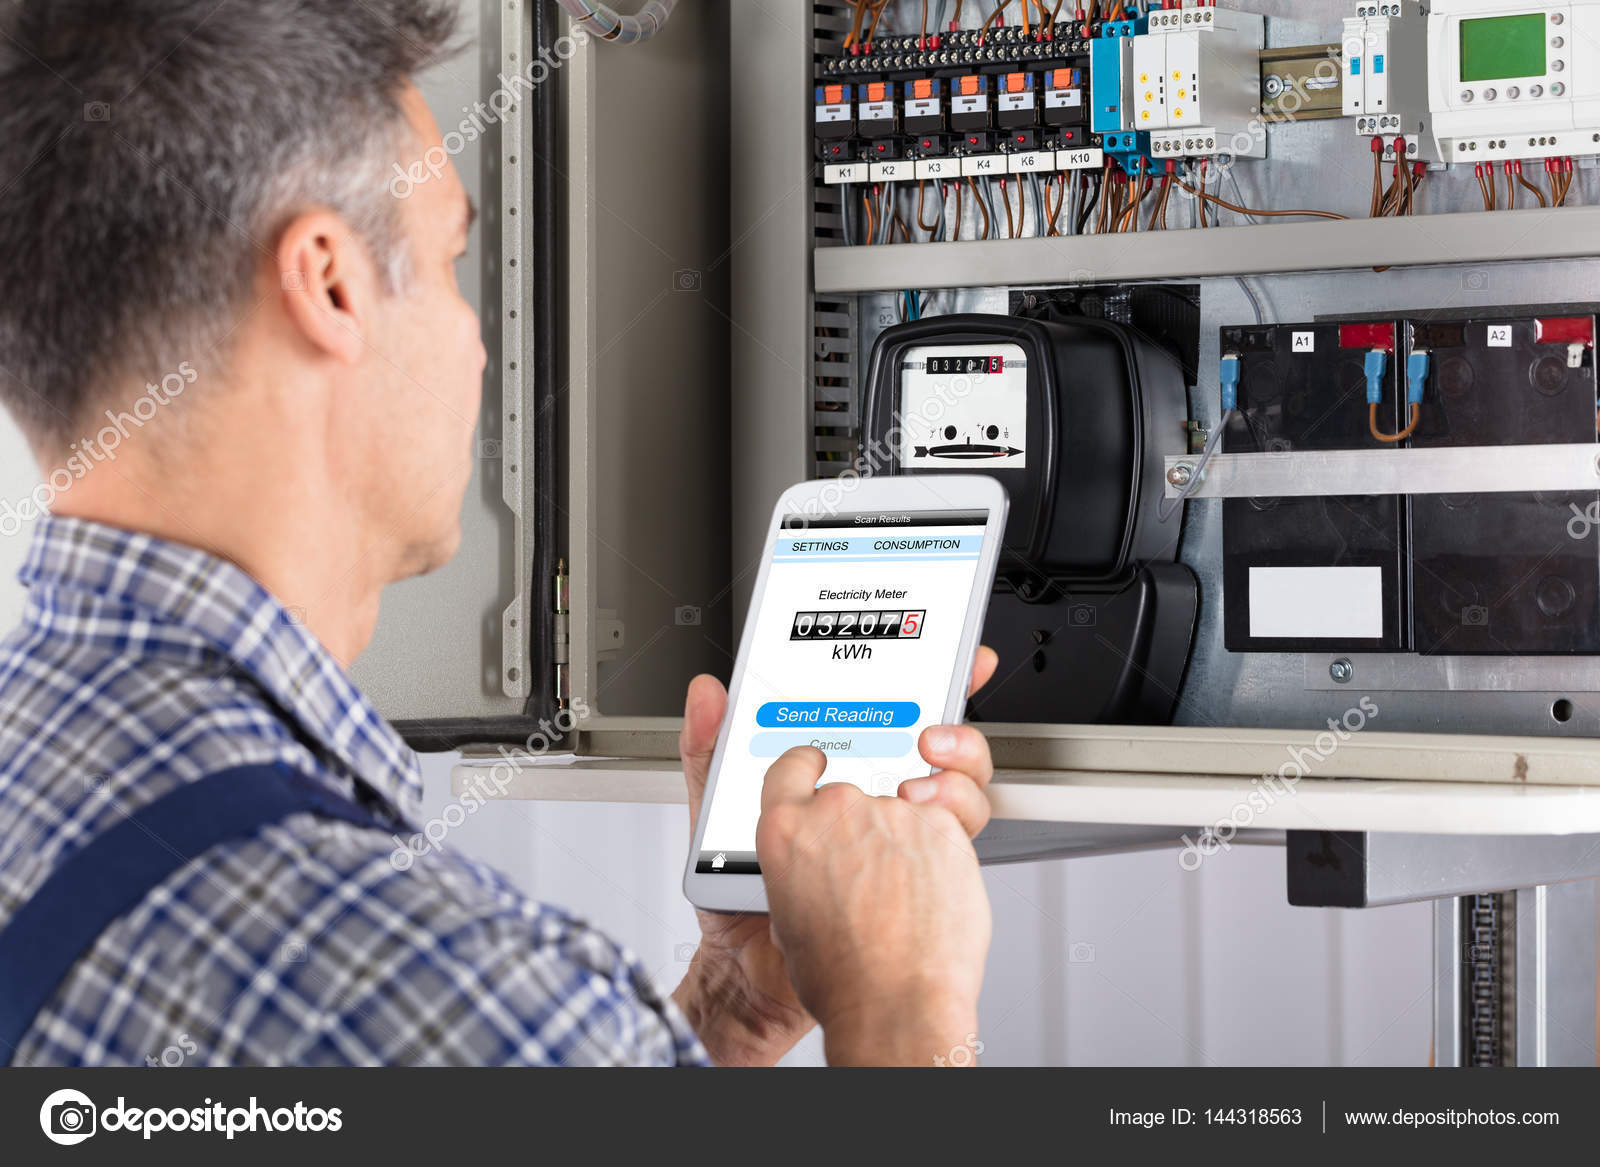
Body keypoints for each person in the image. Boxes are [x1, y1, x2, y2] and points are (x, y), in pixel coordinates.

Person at [0, 0, 996, 1066]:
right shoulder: (438, 984)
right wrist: (903, 1004)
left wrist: (728, 1011)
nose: (480, 344)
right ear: (330, 284)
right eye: (448, 264)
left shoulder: (41, 764)